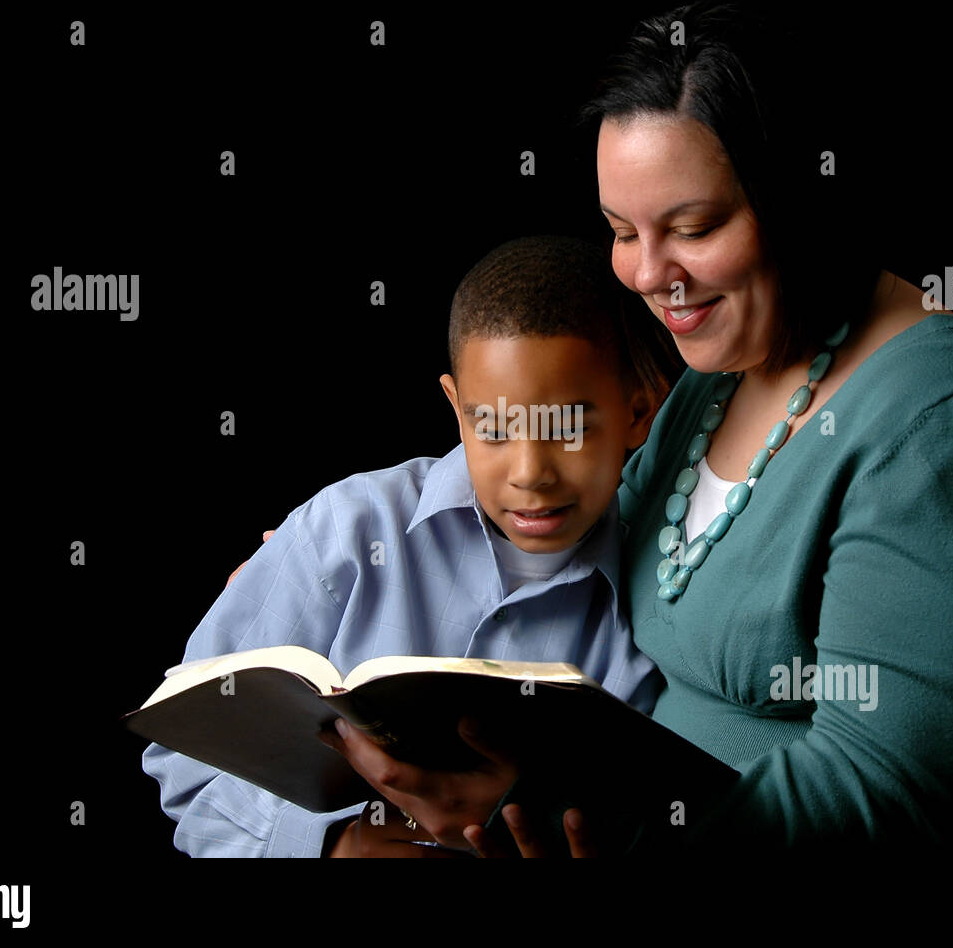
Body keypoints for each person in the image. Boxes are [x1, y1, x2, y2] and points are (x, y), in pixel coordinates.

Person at [324, 0, 953, 857]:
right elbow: (571, 480)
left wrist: (561, 810)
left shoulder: (950, 425)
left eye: (693, 229)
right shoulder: (718, 374)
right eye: (622, 232)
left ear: (800, 197)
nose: (652, 276)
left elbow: (884, 794)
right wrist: (352, 534)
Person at [141, 235, 683, 856]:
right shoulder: (343, 531)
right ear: (456, 408)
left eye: (567, 428)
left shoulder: (653, 611)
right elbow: (184, 756)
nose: (531, 472)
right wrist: (335, 845)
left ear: (640, 411)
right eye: (495, 428)